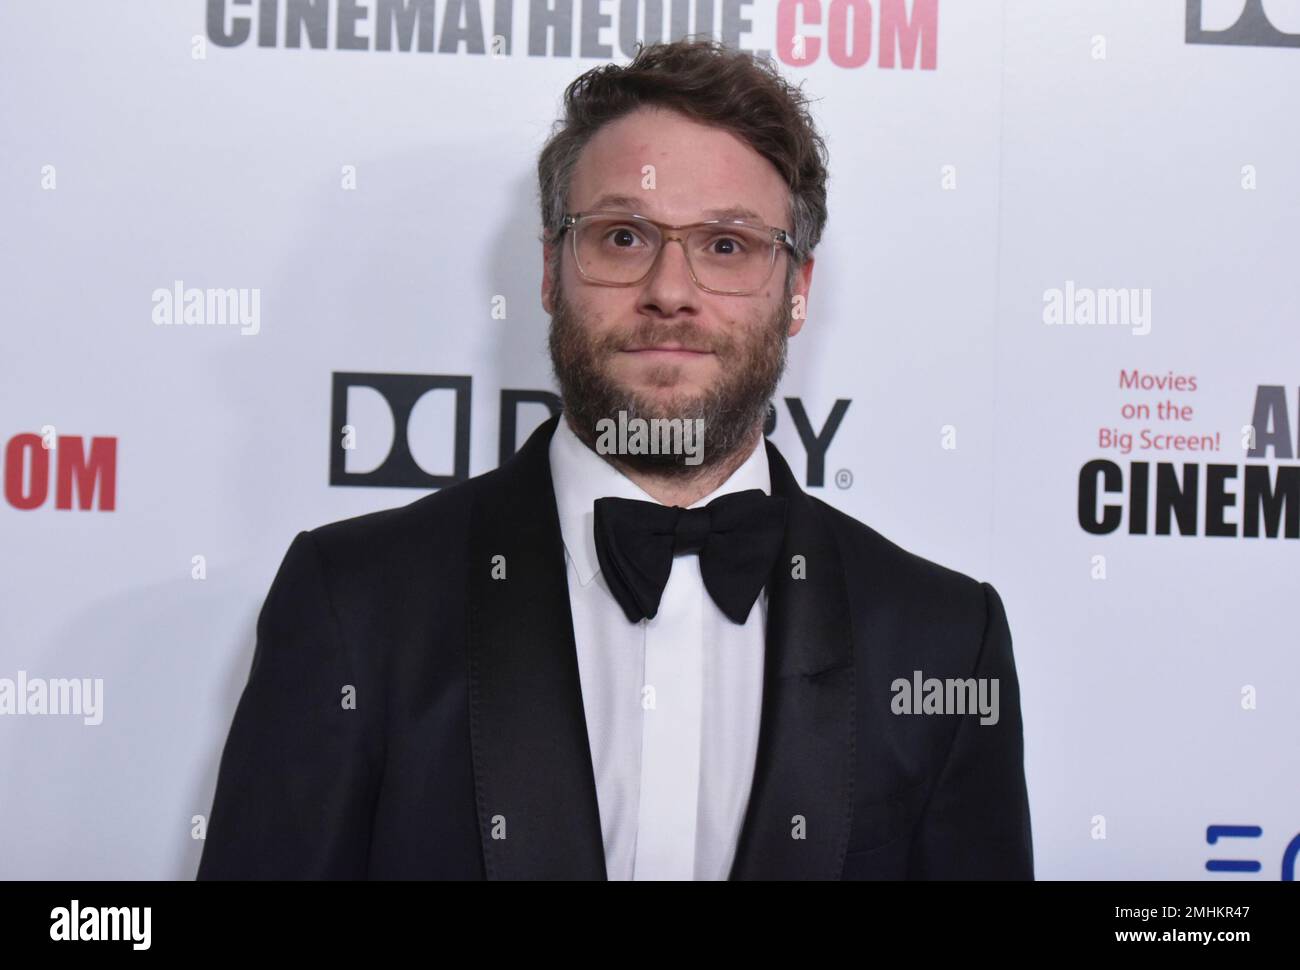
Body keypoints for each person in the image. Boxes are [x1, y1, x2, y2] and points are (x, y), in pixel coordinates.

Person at [197, 39, 1032, 881]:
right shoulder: (356, 606)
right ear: (552, 271)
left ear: (799, 290)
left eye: (728, 245)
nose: (671, 289)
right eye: (624, 235)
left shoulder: (942, 643)